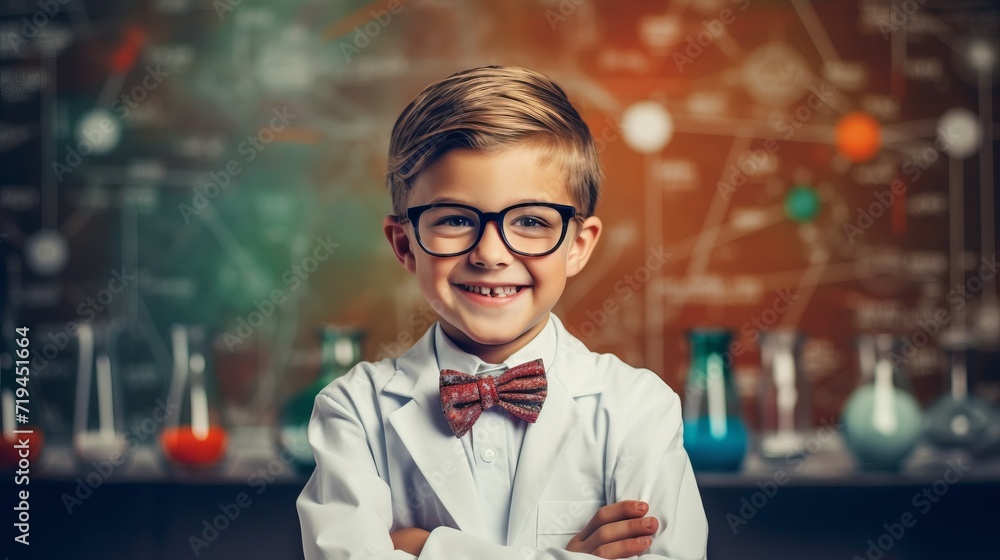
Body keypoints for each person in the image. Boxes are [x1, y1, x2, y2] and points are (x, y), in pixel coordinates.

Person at [297, 65, 708, 559]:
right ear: (404, 244)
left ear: (578, 245)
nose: (490, 254)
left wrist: (427, 549)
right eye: (453, 219)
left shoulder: (638, 409)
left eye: (531, 220)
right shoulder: (354, 411)